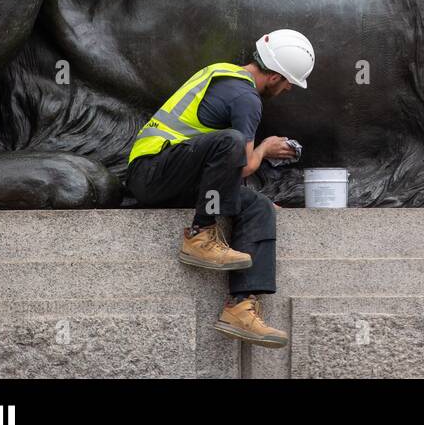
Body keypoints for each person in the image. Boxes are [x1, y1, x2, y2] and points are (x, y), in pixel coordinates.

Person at [124, 29, 315, 348]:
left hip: (169, 176)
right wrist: (266, 149)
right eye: (288, 81)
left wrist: (242, 196)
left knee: (258, 206)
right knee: (232, 141)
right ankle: (201, 234)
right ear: (275, 76)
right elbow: (243, 164)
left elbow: (222, 169)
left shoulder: (223, 75)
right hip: (151, 172)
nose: (288, 88)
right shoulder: (246, 98)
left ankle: (240, 306)